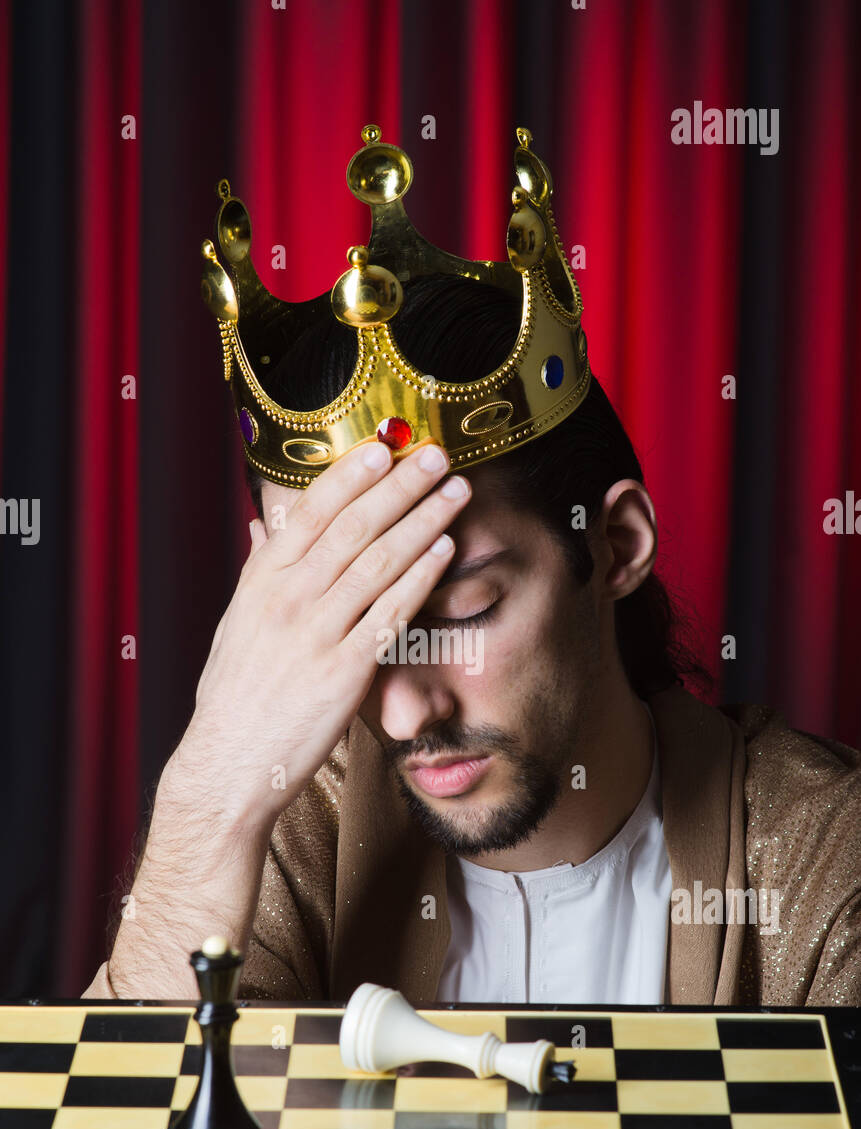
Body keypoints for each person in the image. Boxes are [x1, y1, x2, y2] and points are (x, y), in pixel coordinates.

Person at [83, 268, 861, 1008]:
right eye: (350, 626)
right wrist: (206, 794)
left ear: (613, 545)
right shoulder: (274, 824)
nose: (403, 715)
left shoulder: (824, 850)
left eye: (461, 612)